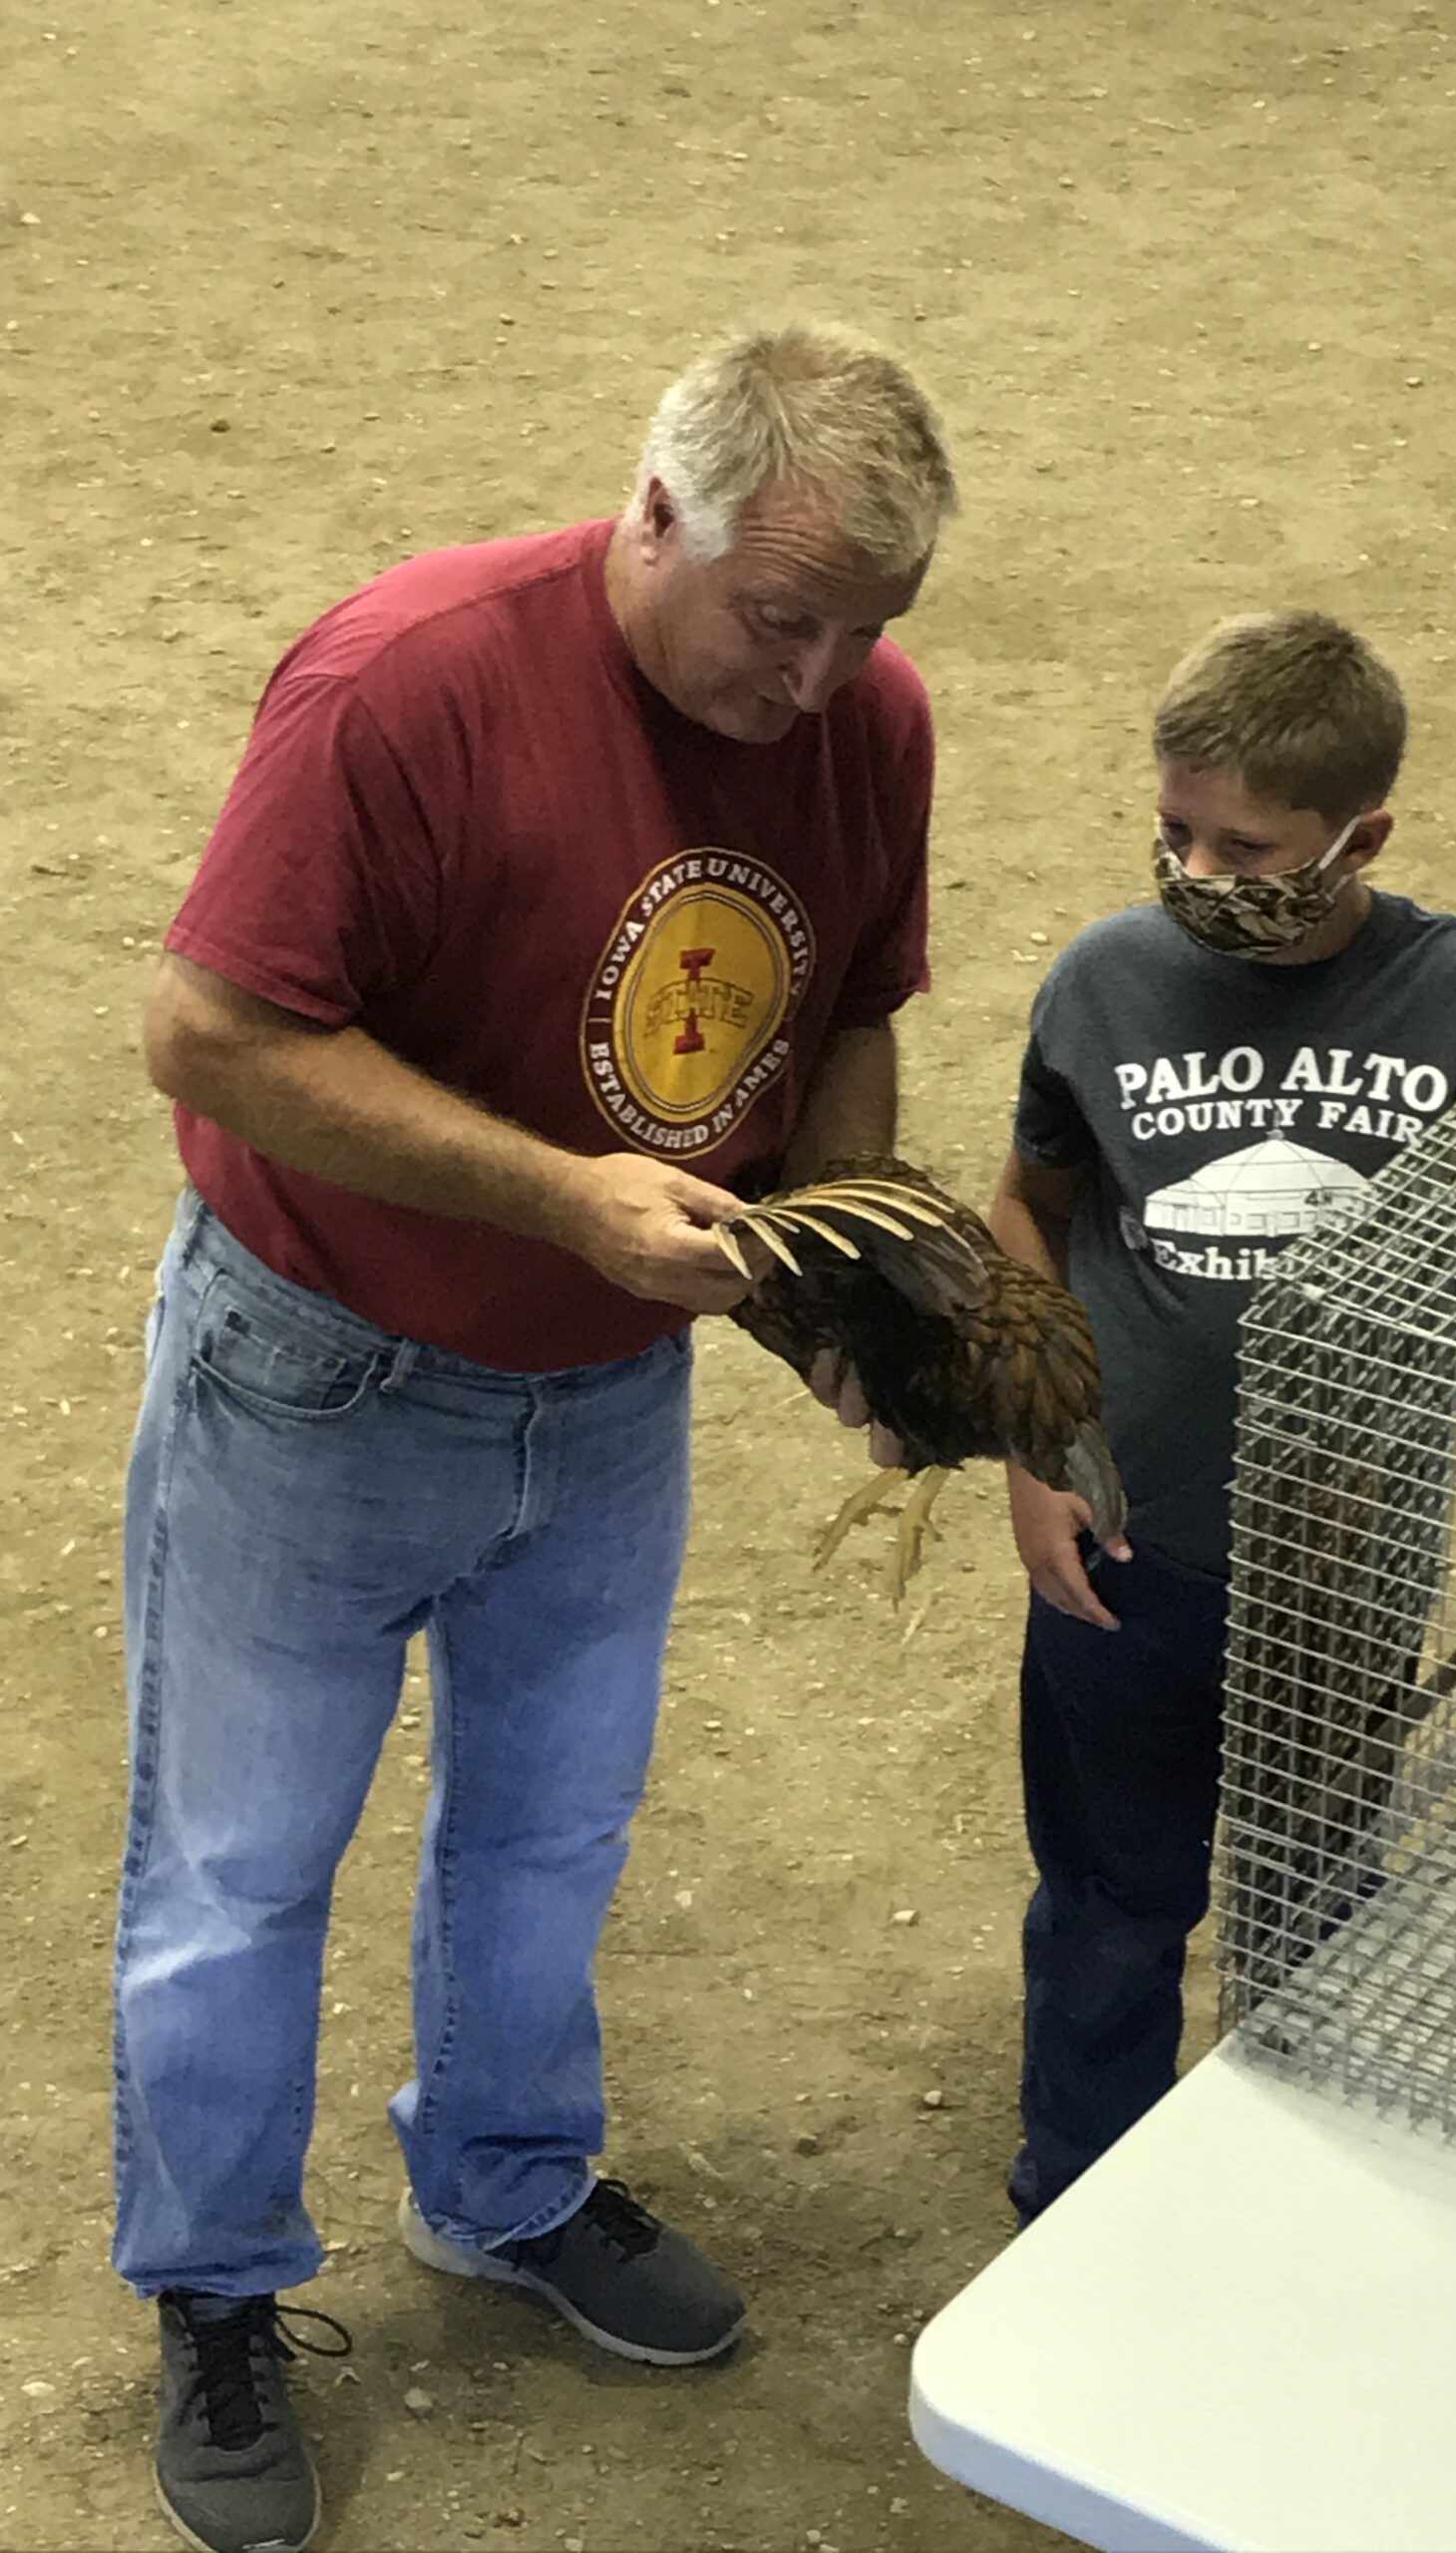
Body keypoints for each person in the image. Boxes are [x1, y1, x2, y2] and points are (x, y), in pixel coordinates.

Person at [115, 322, 956, 2553]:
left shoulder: (868, 715)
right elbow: (205, 1029)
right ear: (649, 512)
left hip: (609, 1398)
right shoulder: (403, 684)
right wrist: (559, 1190)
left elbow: (853, 994)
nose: (822, 677)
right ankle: (212, 2282)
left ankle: (506, 2186)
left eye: (867, 628)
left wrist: (832, 1262)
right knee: (238, 1868)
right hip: (322, 1370)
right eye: (784, 619)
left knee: (552, 1834)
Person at [987, 609, 1456, 2225]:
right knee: (1107, 1898)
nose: (1204, 875)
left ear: (1365, 833)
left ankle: (1284, 2209)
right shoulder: (1104, 980)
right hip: (1122, 1541)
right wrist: (1036, 1455)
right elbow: (1029, 1210)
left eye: (1252, 846)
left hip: (1345, 1571)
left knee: (1313, 1898)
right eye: (1175, 831)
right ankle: (1077, 2202)